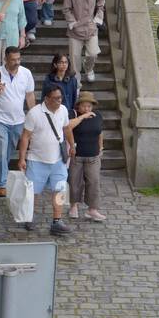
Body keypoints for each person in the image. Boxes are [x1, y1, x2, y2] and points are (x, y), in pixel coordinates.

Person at [17, 81, 74, 236]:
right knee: (33, 192)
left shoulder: (63, 110)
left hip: (58, 161)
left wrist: (72, 145)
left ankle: (57, 221)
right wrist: (22, 158)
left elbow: (67, 128)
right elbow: (25, 137)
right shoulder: (34, 113)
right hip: (37, 160)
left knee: (60, 189)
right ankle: (30, 216)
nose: (59, 101)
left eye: (60, 97)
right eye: (55, 98)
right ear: (46, 99)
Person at [0, 45, 35, 195]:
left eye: (18, 59)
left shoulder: (26, 73)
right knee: (1, 151)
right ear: (5, 59)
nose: (16, 62)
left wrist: (34, 114)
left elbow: (29, 95)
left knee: (7, 151)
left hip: (19, 121)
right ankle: (2, 184)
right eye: (13, 60)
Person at [66, 91, 105, 223]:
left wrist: (101, 147)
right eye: (84, 106)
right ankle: (73, 205)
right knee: (74, 182)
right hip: (76, 155)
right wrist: (83, 117)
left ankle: (92, 209)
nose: (87, 109)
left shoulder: (98, 115)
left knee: (94, 182)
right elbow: (68, 127)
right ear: (79, 106)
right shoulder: (73, 114)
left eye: (89, 106)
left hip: (93, 155)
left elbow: (100, 132)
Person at [63, 0, 104, 85]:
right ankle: (76, 81)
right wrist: (72, 23)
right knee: (74, 57)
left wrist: (97, 19)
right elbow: (66, 9)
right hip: (75, 30)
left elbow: (101, 5)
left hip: (91, 28)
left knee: (93, 53)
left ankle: (89, 69)